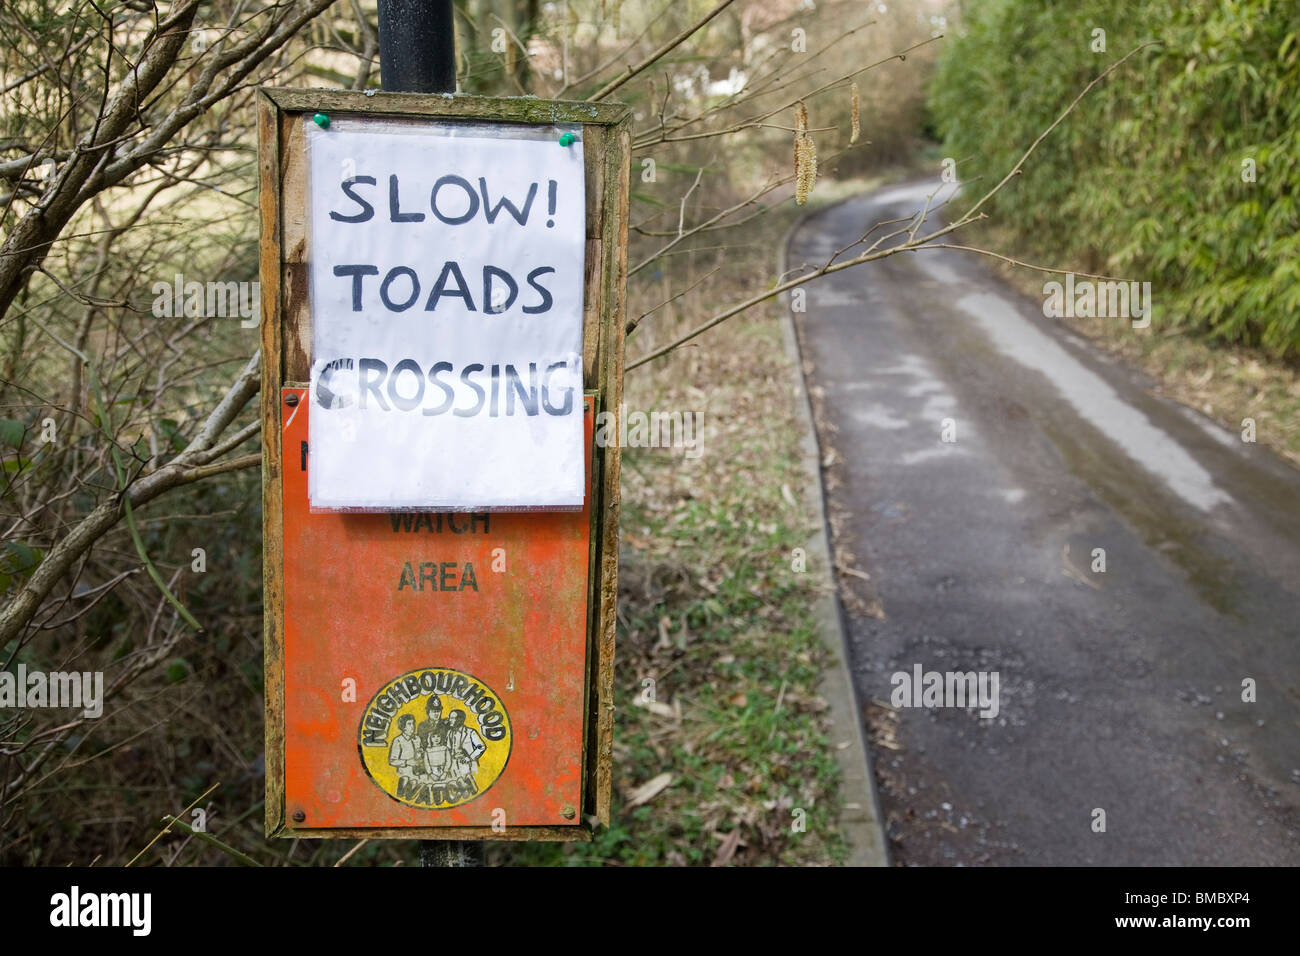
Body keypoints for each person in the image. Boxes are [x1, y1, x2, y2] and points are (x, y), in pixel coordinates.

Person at [445, 709, 486, 781]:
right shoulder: (449, 733)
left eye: (452, 718)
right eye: (449, 718)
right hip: (454, 766)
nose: (449, 720)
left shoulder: (470, 732)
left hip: (468, 765)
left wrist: (469, 758)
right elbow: (448, 749)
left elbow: (481, 747)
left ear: (460, 720)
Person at [418, 695, 450, 781]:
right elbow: (421, 744)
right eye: (433, 711)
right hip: (428, 761)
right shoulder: (422, 726)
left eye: (438, 711)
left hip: (444, 760)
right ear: (428, 712)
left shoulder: (445, 724)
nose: (436, 714)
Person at [388, 714, 421, 780]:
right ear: (403, 726)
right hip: (404, 776)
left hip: (418, 775)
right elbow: (392, 761)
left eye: (413, 723)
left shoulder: (417, 738)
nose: (412, 726)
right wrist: (406, 762)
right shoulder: (398, 740)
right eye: (409, 724)